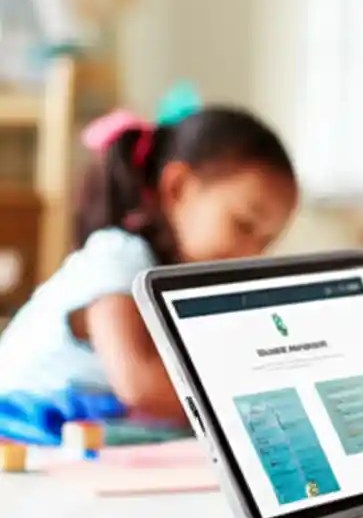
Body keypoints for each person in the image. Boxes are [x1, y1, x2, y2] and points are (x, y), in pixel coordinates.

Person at [0, 107, 298, 424]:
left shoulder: (182, 282)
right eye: (243, 225)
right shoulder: (118, 255)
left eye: (266, 242)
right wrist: (252, 408)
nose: (251, 254)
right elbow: (140, 385)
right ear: (178, 187)